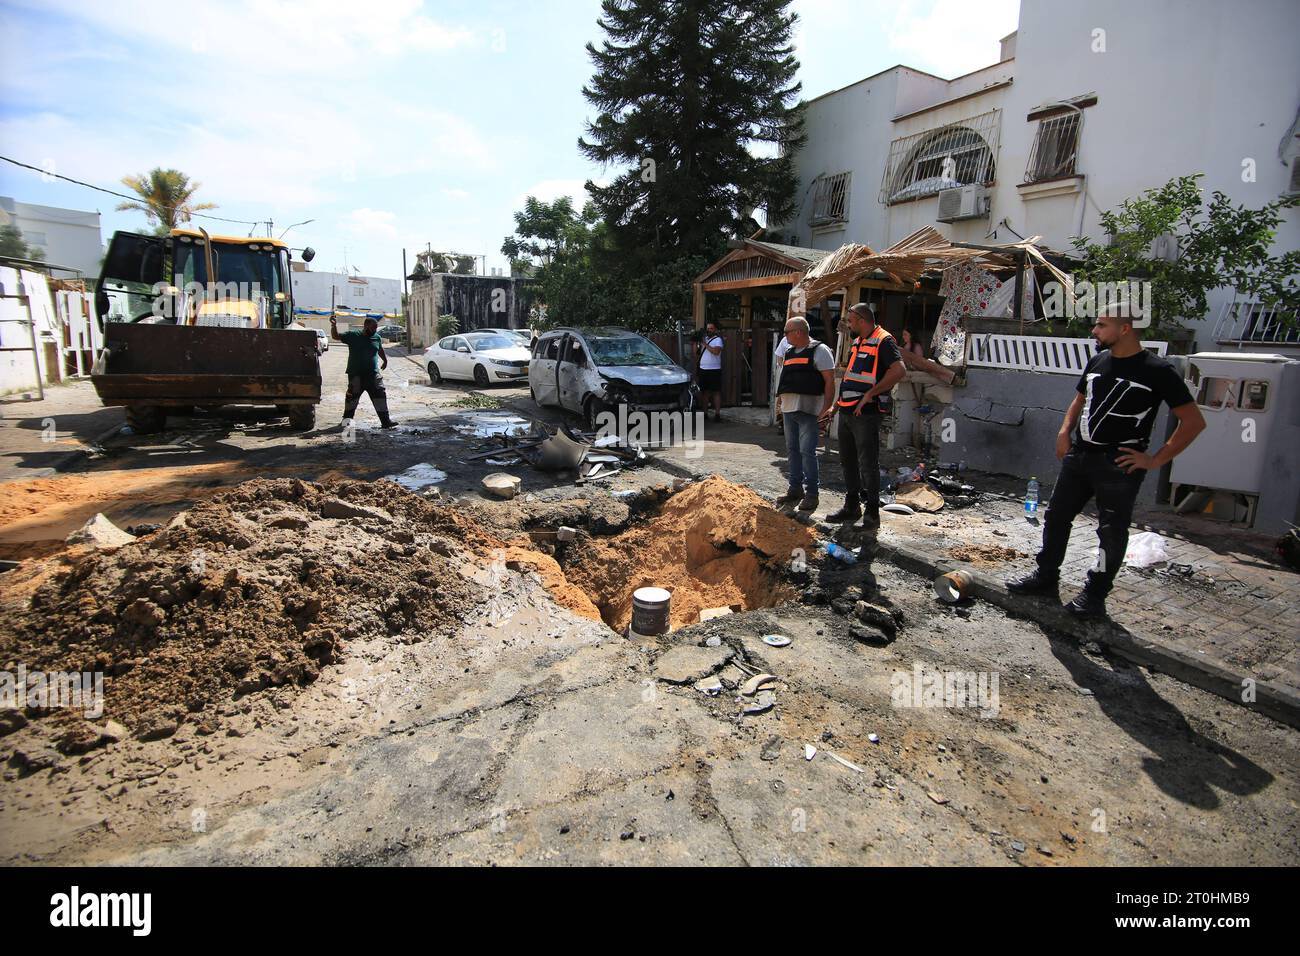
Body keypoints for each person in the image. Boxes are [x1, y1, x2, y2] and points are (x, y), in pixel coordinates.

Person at [1007, 304, 1205, 618]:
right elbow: (1079, 399)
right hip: (1080, 456)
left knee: (1111, 531)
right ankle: (1045, 577)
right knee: (1056, 518)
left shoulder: (1158, 370)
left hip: (1119, 465)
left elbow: (1193, 422)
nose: (1094, 331)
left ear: (1124, 328)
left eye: (1101, 325)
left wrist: (1154, 460)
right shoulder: (1098, 360)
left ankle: (1095, 594)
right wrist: (1064, 430)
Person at [827, 303, 906, 530]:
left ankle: (872, 514)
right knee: (848, 460)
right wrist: (836, 406)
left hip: (867, 412)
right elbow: (851, 377)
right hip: (848, 410)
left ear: (861, 320)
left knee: (867, 463)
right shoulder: (858, 341)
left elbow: (899, 370)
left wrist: (871, 393)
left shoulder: (884, 340)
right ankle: (852, 506)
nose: (848, 325)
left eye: (851, 321)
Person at [773, 317, 836, 512]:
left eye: (787, 331)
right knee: (792, 450)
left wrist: (826, 408)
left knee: (807, 452)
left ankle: (812, 495)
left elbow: (829, 382)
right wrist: (780, 401)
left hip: (809, 410)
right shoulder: (789, 352)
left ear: (799, 332)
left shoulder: (820, 351)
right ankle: (795, 489)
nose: (785, 335)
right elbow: (787, 378)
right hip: (789, 409)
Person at [331, 315, 397, 428]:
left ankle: (386, 422)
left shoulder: (376, 337)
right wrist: (333, 325)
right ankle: (346, 422)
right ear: (365, 326)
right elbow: (336, 336)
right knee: (352, 398)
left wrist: (385, 360)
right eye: (372, 328)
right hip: (356, 375)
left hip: (373, 374)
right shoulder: (353, 335)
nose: (374, 330)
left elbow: (379, 348)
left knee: (380, 395)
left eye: (376, 328)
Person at [697, 322, 724, 420]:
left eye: (711, 328)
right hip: (703, 369)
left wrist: (705, 344)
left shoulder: (718, 340)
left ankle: (717, 414)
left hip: (714, 369)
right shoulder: (704, 339)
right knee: (705, 392)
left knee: (716, 392)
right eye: (708, 328)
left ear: (715, 330)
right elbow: (696, 353)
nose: (709, 330)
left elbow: (716, 352)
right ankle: (705, 413)